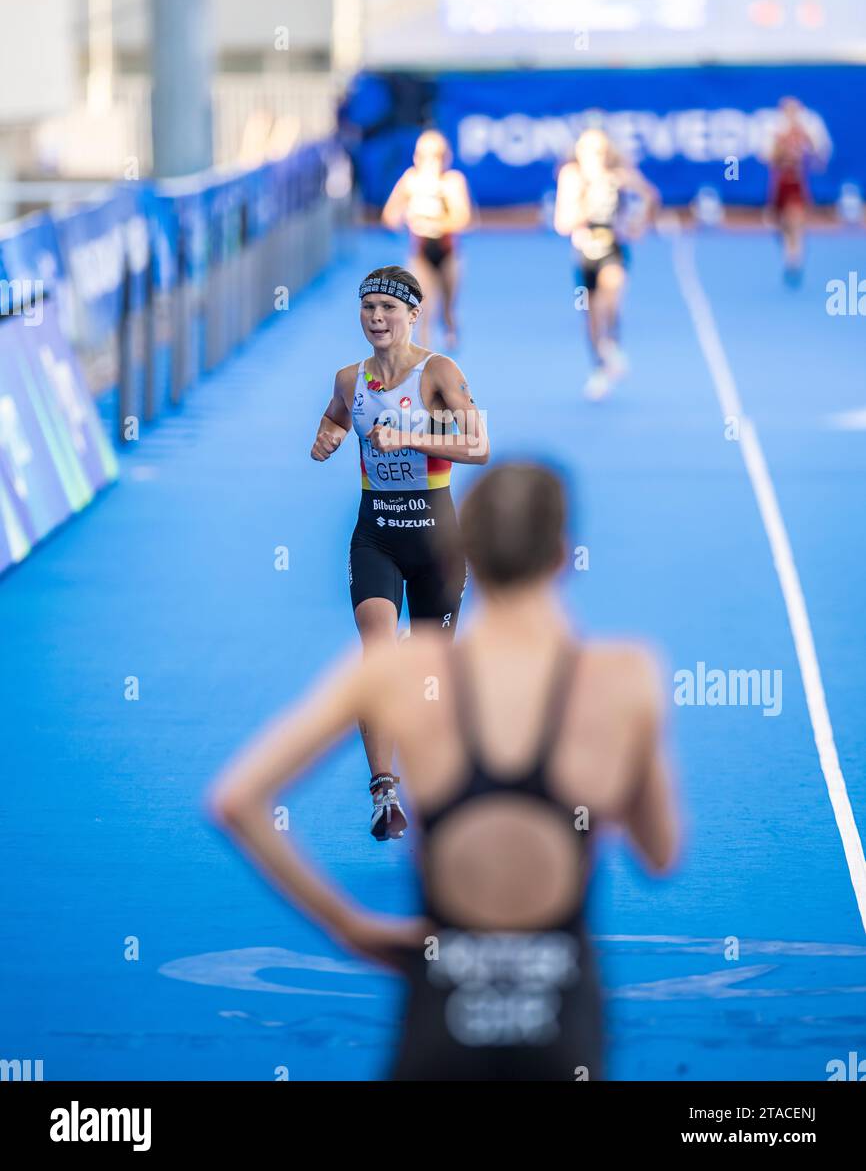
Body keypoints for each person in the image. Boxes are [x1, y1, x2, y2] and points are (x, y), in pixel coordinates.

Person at [209, 461, 679, 1081]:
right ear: (564, 555)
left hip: (443, 1011)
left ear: (465, 554)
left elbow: (237, 799)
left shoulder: (398, 674)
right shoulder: (623, 675)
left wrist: (349, 926)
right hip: (563, 1019)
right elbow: (660, 853)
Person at [309, 264, 488, 839]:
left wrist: (408, 436)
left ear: (414, 314)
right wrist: (327, 436)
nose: (378, 319)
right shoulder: (348, 379)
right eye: (369, 309)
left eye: (390, 309)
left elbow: (478, 446)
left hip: (435, 536)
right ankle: (384, 790)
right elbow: (338, 417)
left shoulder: (438, 372)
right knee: (379, 656)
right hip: (376, 533)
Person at [554, 129, 659, 401]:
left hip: (613, 248)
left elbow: (650, 195)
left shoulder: (618, 175)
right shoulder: (571, 177)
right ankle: (599, 368)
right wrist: (588, 205)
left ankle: (612, 344)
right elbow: (561, 223)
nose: (592, 157)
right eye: (586, 151)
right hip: (584, 253)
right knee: (590, 316)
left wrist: (638, 225)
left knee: (610, 299)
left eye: (598, 151)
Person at [381, 131, 472, 350]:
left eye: (437, 156)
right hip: (420, 255)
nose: (432, 161)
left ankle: (450, 327)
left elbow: (464, 218)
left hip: (448, 254)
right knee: (423, 306)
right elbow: (389, 215)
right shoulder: (410, 180)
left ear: (446, 158)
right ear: (417, 157)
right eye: (426, 155)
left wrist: (436, 223)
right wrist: (404, 219)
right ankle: (425, 356)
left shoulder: (452, 182)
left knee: (447, 307)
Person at [767, 98, 820, 284]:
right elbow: (770, 159)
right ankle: (790, 253)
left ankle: (793, 262)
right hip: (780, 187)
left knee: (795, 224)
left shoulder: (804, 134)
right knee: (781, 227)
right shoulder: (777, 135)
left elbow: (818, 160)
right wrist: (782, 149)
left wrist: (810, 152)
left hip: (796, 186)